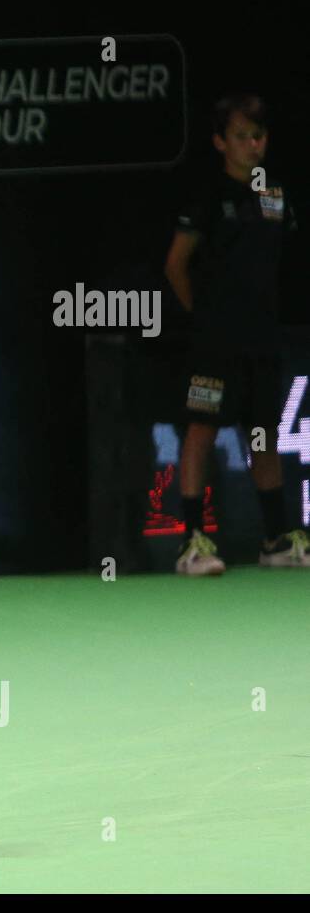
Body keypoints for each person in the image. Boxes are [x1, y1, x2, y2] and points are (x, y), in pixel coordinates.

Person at [164, 91, 307, 575]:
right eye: (243, 136)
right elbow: (176, 266)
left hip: (262, 342)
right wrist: (204, 320)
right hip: (213, 345)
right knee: (202, 430)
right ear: (220, 143)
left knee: (263, 434)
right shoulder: (207, 198)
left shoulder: (275, 196)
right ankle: (192, 544)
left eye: (259, 136)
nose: (254, 144)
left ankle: (275, 542)